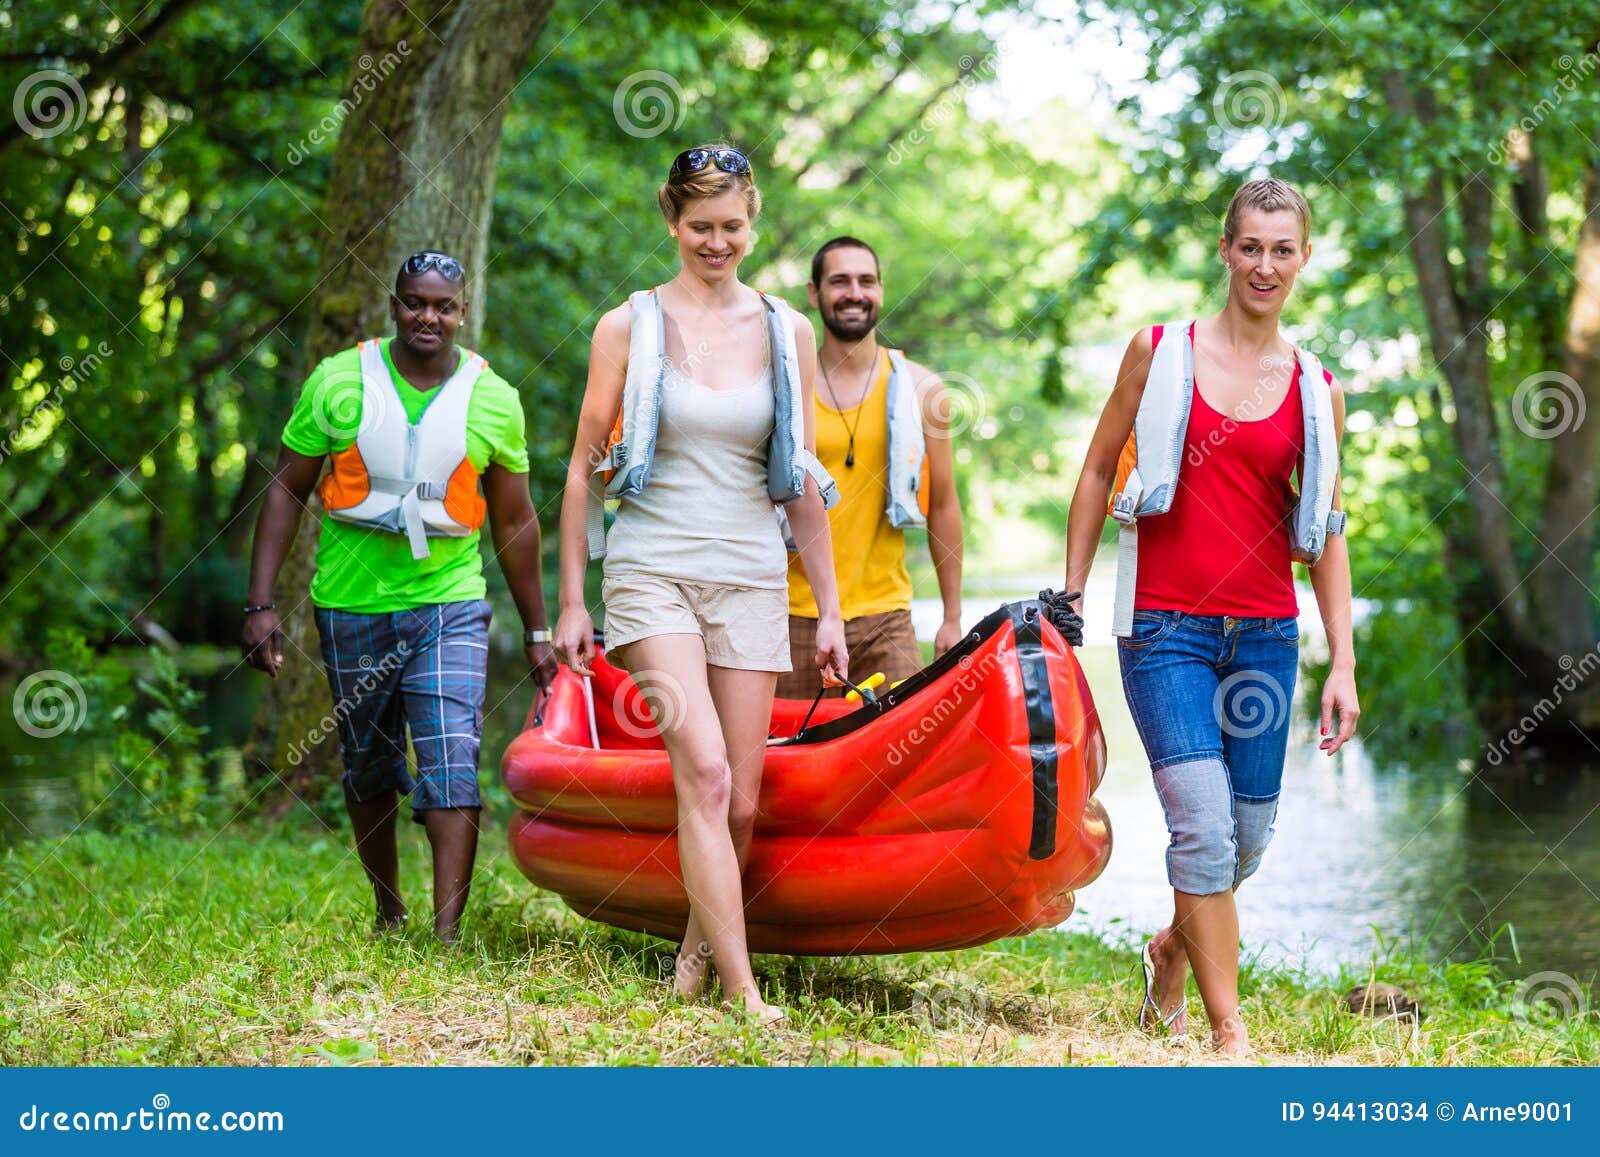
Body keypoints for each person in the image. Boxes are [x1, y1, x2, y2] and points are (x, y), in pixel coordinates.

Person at [1063, 178, 1360, 1054]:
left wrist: (1341, 661)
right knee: (1201, 821)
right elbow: (1093, 472)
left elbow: (1332, 532)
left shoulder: (1317, 388)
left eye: (1283, 249)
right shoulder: (1160, 353)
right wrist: (1073, 593)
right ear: (1226, 250)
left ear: (1304, 258)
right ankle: (1228, 1030)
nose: (1265, 264)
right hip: (1162, 629)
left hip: (1265, 635)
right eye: (1251, 246)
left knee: (1249, 835)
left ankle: (1171, 949)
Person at [552, 146, 847, 1023]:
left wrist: (828, 608)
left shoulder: (787, 329)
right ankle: (744, 991)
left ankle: (690, 958)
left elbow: (799, 476)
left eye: (732, 227)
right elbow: (578, 470)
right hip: (653, 572)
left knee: (743, 801)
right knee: (707, 771)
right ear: (670, 222)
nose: (716, 243)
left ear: (753, 221)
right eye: (699, 228)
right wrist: (573, 597)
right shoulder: (627, 326)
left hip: (752, 575)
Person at [243, 249, 557, 945]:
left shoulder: (493, 398)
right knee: (369, 763)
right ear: (393, 305)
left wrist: (539, 631)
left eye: (443, 305)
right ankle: (390, 911)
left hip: (449, 600)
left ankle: (445, 935)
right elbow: (288, 486)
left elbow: (513, 521)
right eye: (415, 302)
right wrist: (259, 602)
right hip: (351, 601)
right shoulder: (339, 380)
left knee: (450, 754)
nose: (428, 316)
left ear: (462, 312)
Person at [777, 237, 965, 701]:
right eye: (839, 281)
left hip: (886, 618)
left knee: (906, 762)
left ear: (881, 290)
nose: (854, 292)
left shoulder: (923, 389)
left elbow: (943, 504)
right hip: (789, 615)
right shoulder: (784, 386)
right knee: (786, 764)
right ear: (814, 293)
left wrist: (953, 616)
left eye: (866, 281)